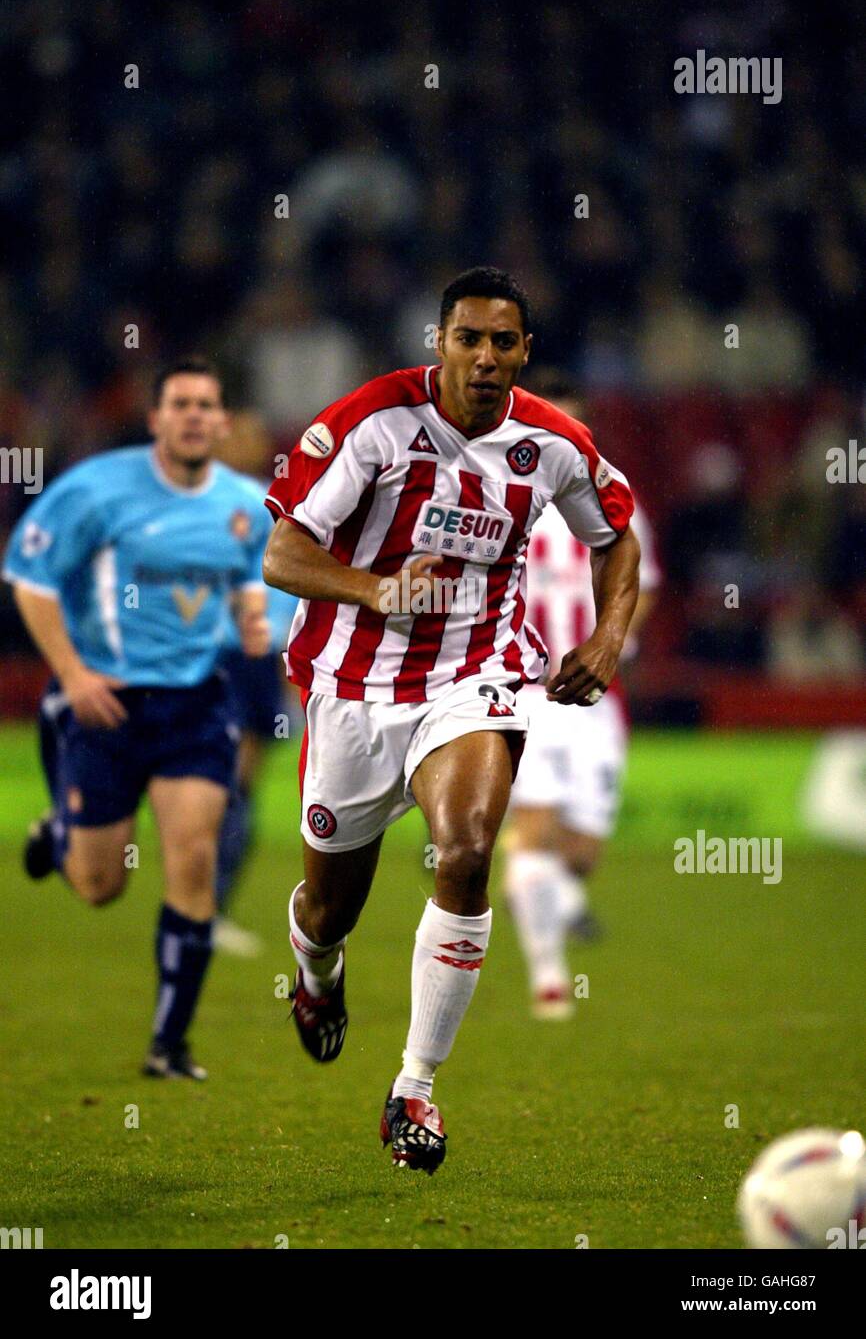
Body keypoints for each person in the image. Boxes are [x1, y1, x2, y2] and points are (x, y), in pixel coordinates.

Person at [261, 267, 640, 1173]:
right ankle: (318, 978)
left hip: (476, 676)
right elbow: (282, 551)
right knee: (328, 908)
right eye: (467, 338)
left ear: (523, 353)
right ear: (439, 343)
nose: (484, 357)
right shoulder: (370, 423)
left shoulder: (554, 444)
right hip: (355, 691)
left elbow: (616, 533)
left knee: (466, 850)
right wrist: (373, 588)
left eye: (502, 342)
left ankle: (415, 1088)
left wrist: (610, 633)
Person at [2, 358, 272, 1080]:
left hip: (195, 703)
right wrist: (71, 672)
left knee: (193, 861)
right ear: (155, 419)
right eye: (178, 403)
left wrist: (253, 618)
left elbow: (256, 578)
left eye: (205, 405)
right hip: (104, 701)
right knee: (99, 886)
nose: (192, 415)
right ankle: (59, 832)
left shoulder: (247, 505)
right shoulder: (96, 489)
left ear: (221, 421)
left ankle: (169, 1044)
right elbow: (29, 577)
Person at [501, 373, 661, 1018]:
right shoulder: (500, 493)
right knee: (534, 828)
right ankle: (549, 978)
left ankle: (545, 893)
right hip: (526, 690)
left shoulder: (613, 497)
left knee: (582, 851)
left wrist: (611, 646)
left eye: (571, 427)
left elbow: (642, 585)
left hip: (596, 692)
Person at [214, 410, 299, 958]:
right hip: (220, 653)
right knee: (223, 780)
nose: (251, 440)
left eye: (254, 432)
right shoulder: (209, 501)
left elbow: (295, 589)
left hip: (261, 659)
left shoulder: (277, 503)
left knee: (242, 782)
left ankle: (211, 908)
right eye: (239, 432)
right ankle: (205, 906)